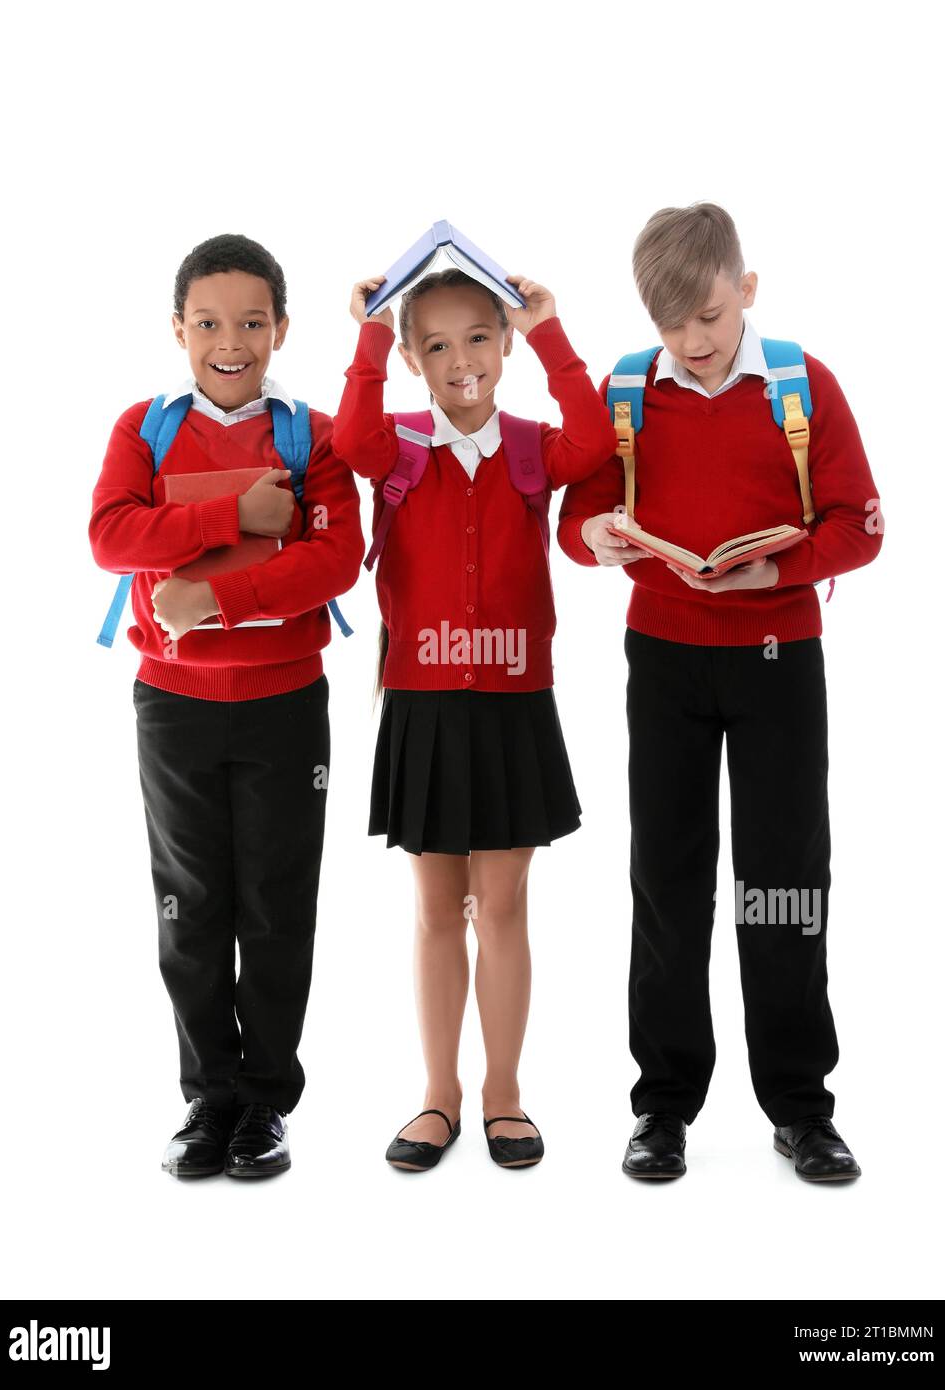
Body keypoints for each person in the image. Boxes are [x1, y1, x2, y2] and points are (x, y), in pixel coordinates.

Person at [557, 203, 884, 1182]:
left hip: (779, 658)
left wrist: (773, 574)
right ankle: (661, 1107)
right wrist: (597, 538)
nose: (692, 344)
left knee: (782, 882)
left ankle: (799, 1106)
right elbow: (576, 512)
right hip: (661, 657)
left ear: (744, 290)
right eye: (670, 327)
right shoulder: (624, 393)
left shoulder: (800, 384)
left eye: (706, 316)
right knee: (667, 880)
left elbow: (858, 527)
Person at [89, 233, 364, 1179]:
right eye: (207, 322)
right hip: (174, 704)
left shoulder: (313, 435)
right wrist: (229, 520)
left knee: (278, 905)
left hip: (287, 700)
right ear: (178, 329)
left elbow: (333, 560)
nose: (229, 340)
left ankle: (265, 1106)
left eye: (252, 320)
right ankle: (208, 1101)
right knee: (192, 903)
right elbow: (110, 536)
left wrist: (211, 595)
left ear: (281, 329)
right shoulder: (145, 427)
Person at [333, 266, 617, 1170]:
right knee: (431, 909)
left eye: (481, 338)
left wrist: (551, 332)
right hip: (420, 703)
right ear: (415, 359)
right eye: (438, 344)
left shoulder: (534, 446)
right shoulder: (398, 446)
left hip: (512, 703)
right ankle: (437, 1097)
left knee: (501, 905)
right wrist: (371, 334)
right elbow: (350, 436)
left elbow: (595, 442)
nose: (463, 360)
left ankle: (504, 1094)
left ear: (504, 345)